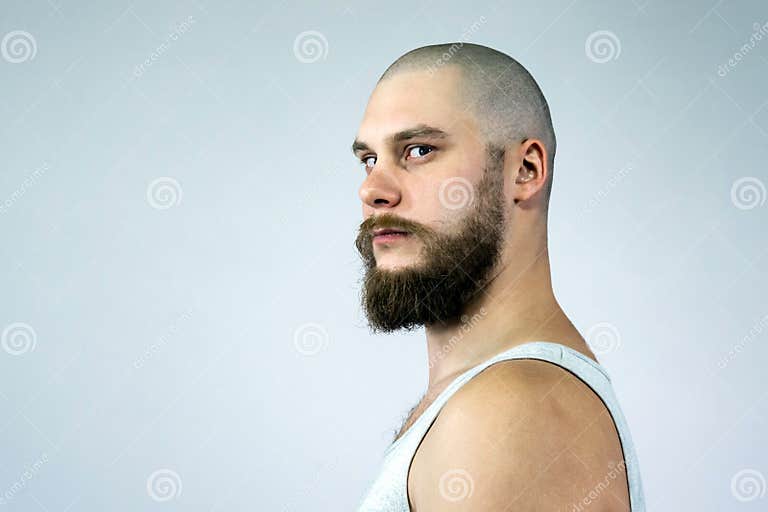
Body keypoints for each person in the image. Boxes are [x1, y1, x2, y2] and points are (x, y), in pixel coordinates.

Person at [352, 42, 645, 511]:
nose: (373, 190)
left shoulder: (511, 414)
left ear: (525, 170)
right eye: (369, 160)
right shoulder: (484, 398)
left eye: (419, 150)